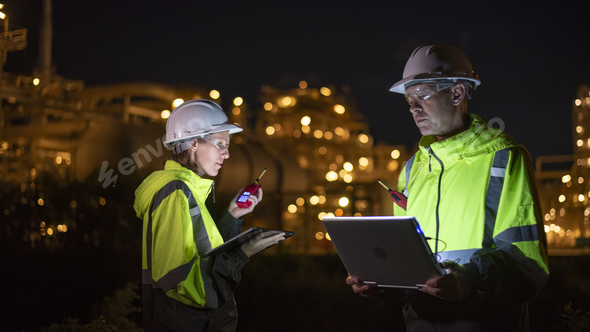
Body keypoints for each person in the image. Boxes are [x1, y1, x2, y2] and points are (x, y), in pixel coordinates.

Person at [346, 44, 549, 331]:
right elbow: (408, 264)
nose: (414, 109)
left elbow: (527, 264)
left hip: (483, 321)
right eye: (409, 101)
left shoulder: (503, 159)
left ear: (457, 93)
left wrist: (468, 279)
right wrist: (381, 283)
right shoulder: (412, 169)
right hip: (421, 322)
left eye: (423, 96)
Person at [134, 99, 285, 332]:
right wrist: (242, 254)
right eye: (221, 144)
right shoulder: (175, 193)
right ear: (194, 143)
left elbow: (206, 257)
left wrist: (233, 215)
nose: (226, 154)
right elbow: (182, 283)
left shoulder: (186, 190)